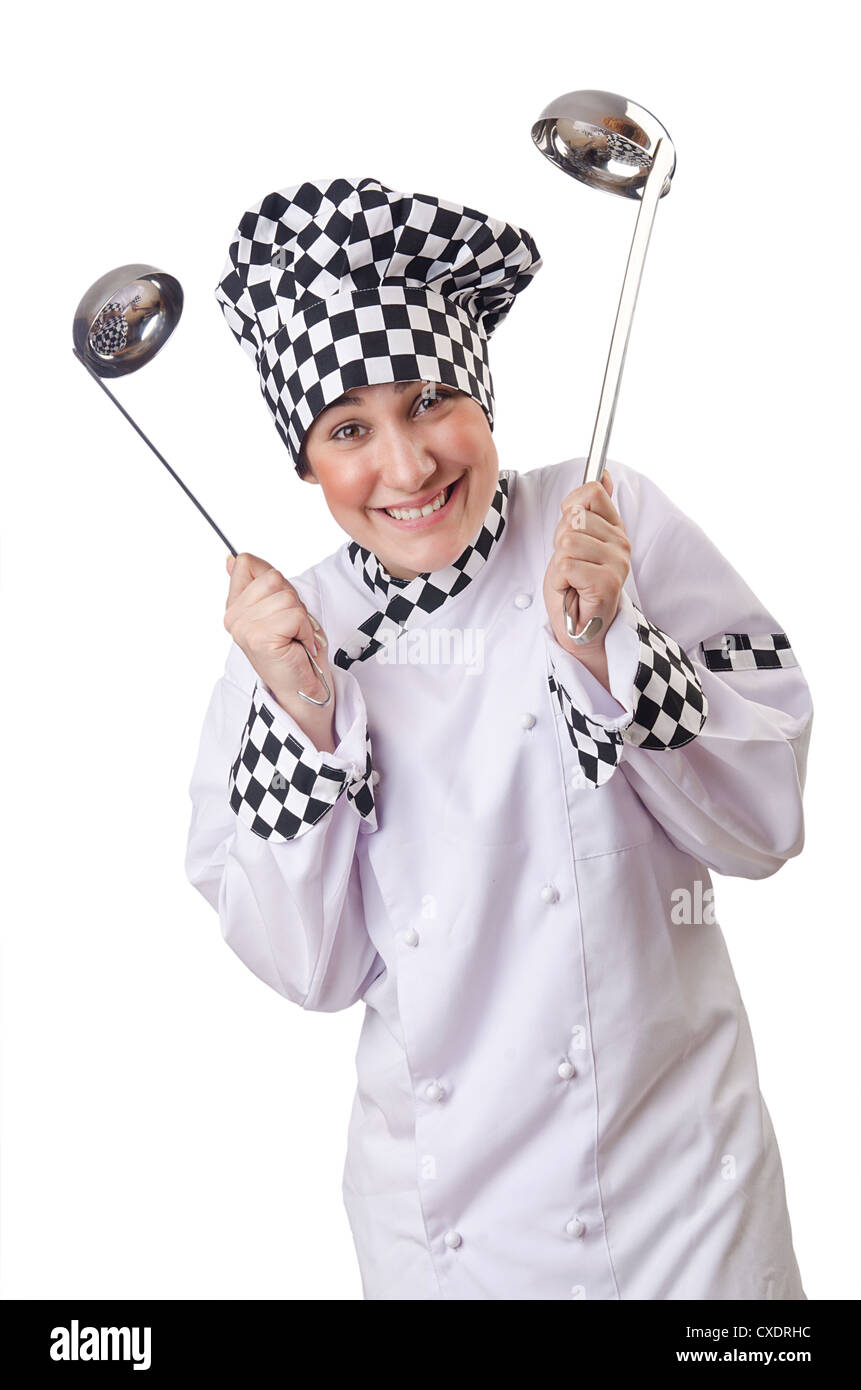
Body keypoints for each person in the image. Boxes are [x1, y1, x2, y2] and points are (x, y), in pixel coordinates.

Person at [185, 176, 813, 1300]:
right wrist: (305, 718)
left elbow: (766, 822)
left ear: (480, 389)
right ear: (305, 458)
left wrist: (614, 647)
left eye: (431, 400)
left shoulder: (605, 518)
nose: (410, 466)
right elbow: (307, 968)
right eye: (349, 430)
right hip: (445, 1231)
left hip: (687, 1204)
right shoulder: (289, 635)